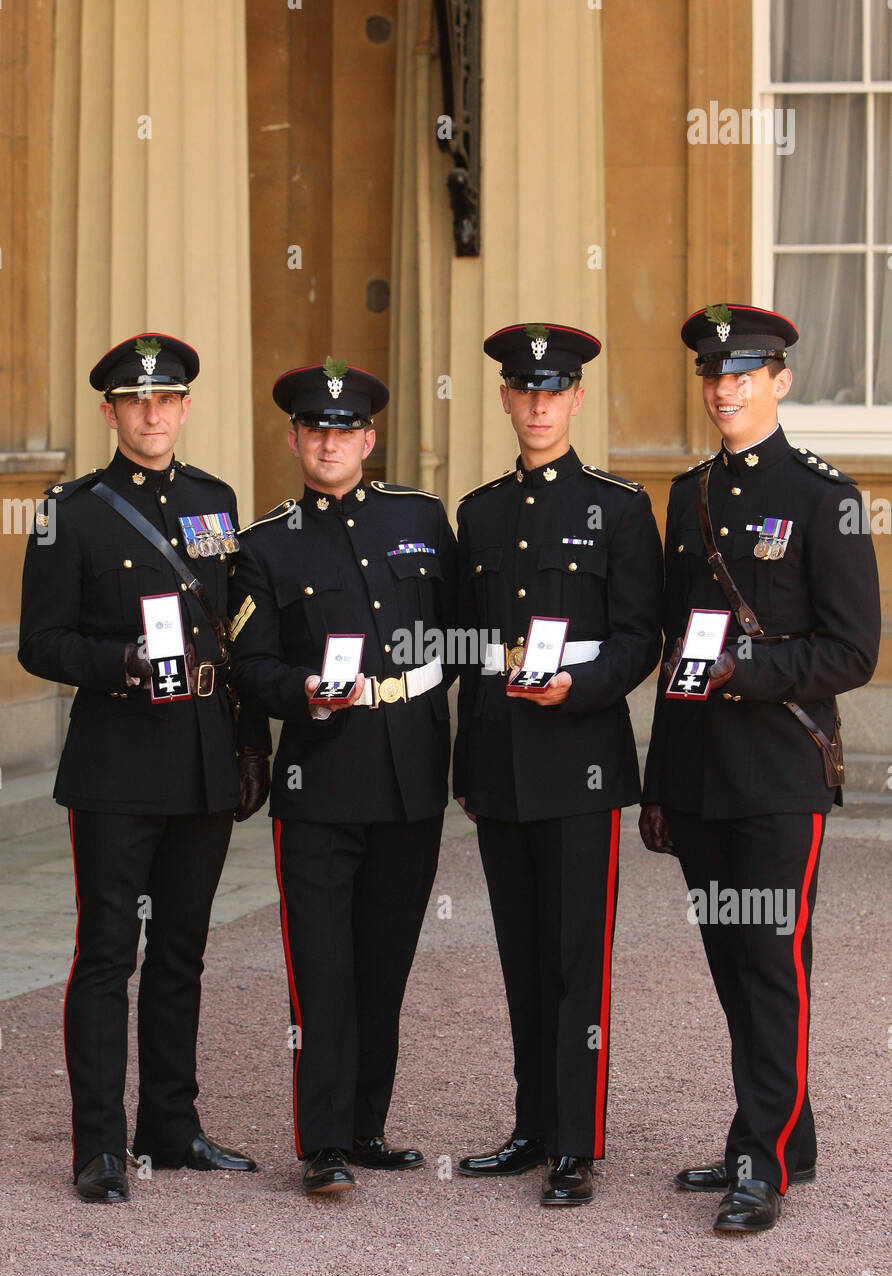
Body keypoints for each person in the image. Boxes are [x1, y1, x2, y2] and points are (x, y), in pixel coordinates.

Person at [640, 304, 881, 1233]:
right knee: (733, 964)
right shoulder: (688, 491)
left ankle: (763, 1163)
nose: (724, 389)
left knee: (773, 964)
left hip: (782, 774)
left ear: (780, 381)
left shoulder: (828, 496)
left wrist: (753, 670)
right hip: (700, 777)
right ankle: (782, 1133)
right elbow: (675, 649)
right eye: (712, 375)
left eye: (742, 374)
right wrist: (660, 780)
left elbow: (854, 653)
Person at [18, 333, 269, 1204]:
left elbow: (237, 633)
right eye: (135, 401)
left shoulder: (215, 500)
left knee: (183, 953)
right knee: (106, 954)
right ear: (111, 412)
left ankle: (172, 1124)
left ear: (186, 408)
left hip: (202, 752)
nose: (152, 413)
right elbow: (40, 642)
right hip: (119, 760)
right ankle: (99, 1148)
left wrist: (250, 744)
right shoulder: (70, 510)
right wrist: (119, 660)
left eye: (166, 400)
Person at [228, 358, 457, 1197]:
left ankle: (366, 1125)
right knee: (321, 969)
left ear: (368, 437)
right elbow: (248, 663)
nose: (329, 442)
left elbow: (460, 631)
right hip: (319, 780)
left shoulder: (423, 521)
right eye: (314, 430)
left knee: (383, 962)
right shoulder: (263, 545)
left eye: (345, 430)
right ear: (294, 438)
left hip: (410, 774)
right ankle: (322, 1141)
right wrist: (301, 692)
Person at [453, 323, 663, 1206]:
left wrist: (576, 685)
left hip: (579, 766)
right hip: (500, 764)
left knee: (578, 958)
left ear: (577, 399)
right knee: (520, 955)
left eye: (555, 389)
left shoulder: (618, 509)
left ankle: (576, 1145)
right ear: (505, 398)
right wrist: (463, 761)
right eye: (523, 389)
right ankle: (532, 1126)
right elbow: (465, 643)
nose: (539, 403)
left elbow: (640, 638)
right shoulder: (479, 512)